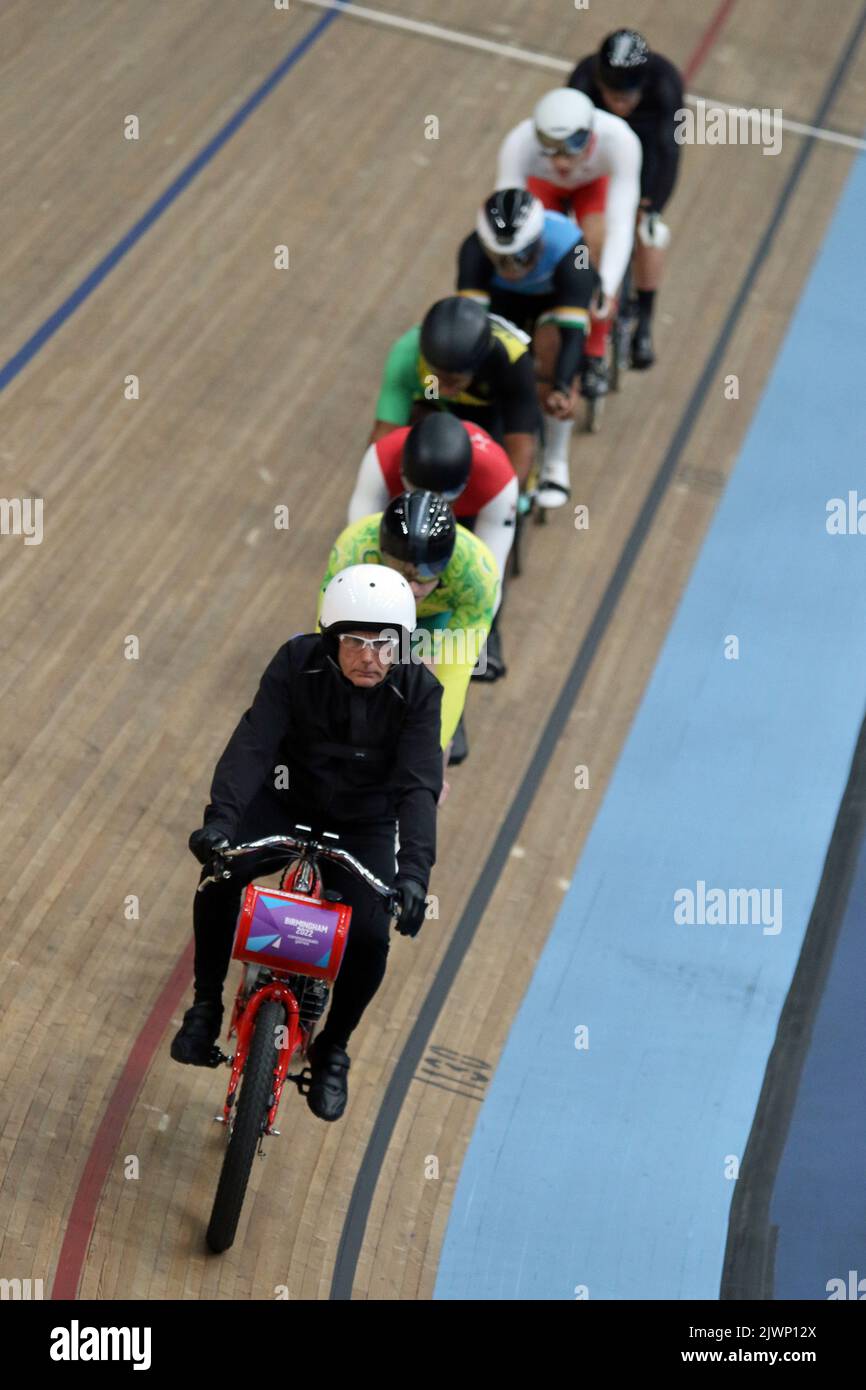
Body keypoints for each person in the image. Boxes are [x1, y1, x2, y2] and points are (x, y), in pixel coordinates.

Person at [172, 565, 443, 1123]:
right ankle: (204, 1005)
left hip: (365, 823)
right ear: (330, 639)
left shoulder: (419, 690)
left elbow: (419, 787)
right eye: (357, 642)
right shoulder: (295, 664)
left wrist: (414, 875)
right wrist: (221, 821)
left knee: (370, 935)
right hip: (284, 800)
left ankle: (333, 1048)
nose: (372, 657)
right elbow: (253, 742)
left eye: (386, 644)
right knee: (220, 876)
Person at [320, 490, 499, 766]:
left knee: (427, 680)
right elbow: (328, 647)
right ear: (380, 554)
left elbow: (454, 673)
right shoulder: (354, 548)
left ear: (448, 562)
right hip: (374, 606)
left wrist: (430, 757)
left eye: (427, 573)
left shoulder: (477, 574)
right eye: (400, 571)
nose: (412, 586)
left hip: (438, 618)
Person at [495, 86, 642, 406]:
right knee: (533, 248)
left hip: (592, 186)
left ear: (590, 135)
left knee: (594, 242)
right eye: (550, 148)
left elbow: (621, 224)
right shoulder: (518, 143)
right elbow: (506, 217)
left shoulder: (620, 140)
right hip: (542, 189)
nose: (561, 161)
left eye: (571, 148)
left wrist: (607, 285)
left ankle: (595, 349)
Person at [348, 412, 517, 675]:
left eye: (445, 497)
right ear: (403, 473)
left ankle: (493, 637)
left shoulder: (498, 481)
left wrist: (470, 637)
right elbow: (360, 548)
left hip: (466, 519)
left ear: (465, 483)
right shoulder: (381, 459)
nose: (433, 505)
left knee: (476, 578)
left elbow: (489, 576)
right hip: (403, 520)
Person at [457, 188, 594, 507]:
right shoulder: (473, 250)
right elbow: (472, 325)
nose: (512, 268)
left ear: (539, 240)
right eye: (501, 259)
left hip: (556, 298)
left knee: (553, 349)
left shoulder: (571, 248)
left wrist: (561, 386)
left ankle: (556, 463)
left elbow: (573, 335)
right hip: (504, 305)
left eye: (521, 256)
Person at [569, 28, 683, 367]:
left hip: (647, 158)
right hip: (599, 158)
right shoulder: (582, 78)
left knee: (649, 234)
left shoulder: (665, 83)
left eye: (626, 98)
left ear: (643, 86)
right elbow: (568, 141)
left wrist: (652, 206)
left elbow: (669, 152)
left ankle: (644, 324)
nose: (618, 106)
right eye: (611, 96)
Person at [370, 296, 540, 489]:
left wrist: (508, 495)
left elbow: (520, 441)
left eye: (453, 380)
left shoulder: (511, 362)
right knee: (416, 426)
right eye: (439, 375)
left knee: (492, 464)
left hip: (491, 407)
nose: (445, 388)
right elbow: (384, 436)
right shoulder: (407, 354)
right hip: (433, 398)